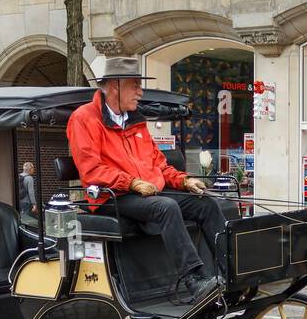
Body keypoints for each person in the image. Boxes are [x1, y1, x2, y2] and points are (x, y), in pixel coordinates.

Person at [67, 56, 225, 305]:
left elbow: (159, 164)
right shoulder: (83, 118)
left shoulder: (136, 120)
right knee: (166, 207)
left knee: (206, 203)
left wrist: (184, 181)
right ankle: (194, 280)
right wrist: (131, 183)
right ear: (114, 86)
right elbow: (92, 171)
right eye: (135, 85)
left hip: (146, 193)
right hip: (112, 196)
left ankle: (229, 269)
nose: (140, 92)